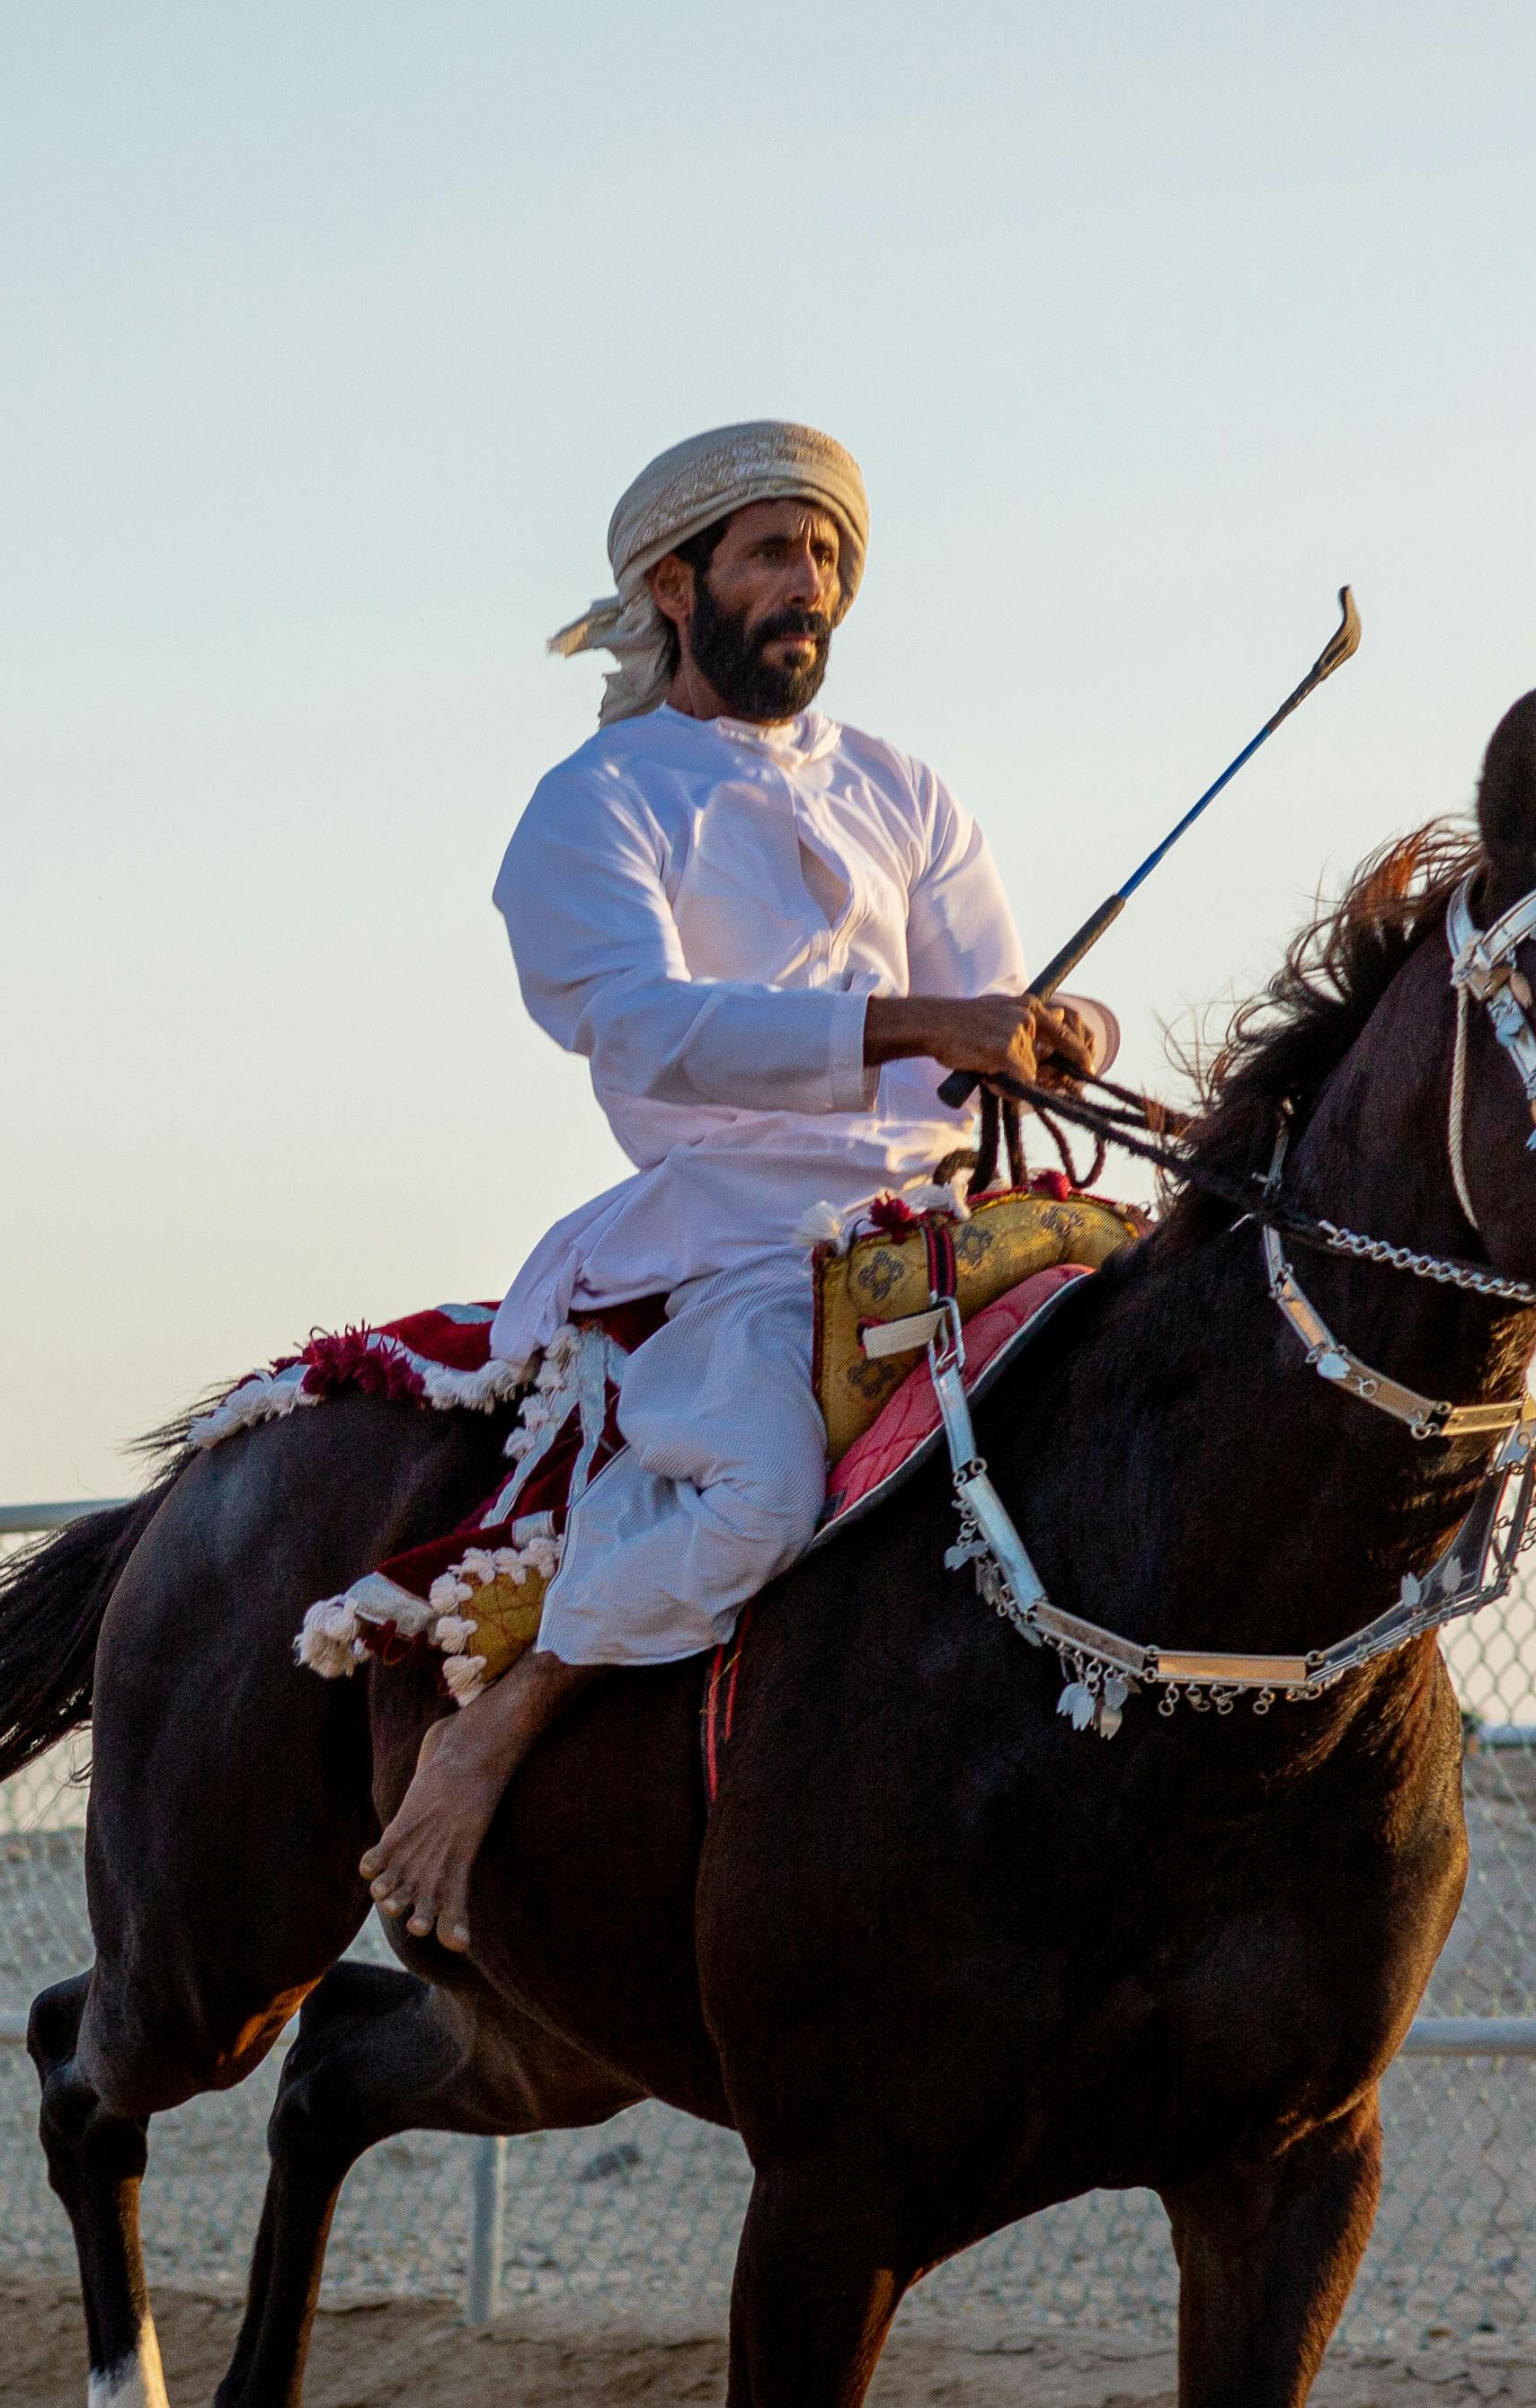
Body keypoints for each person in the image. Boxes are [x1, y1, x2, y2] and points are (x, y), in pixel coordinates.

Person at [359, 421, 1115, 1954]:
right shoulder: (597, 800)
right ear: (675, 583)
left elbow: (990, 1005)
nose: (811, 584)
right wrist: (920, 1024)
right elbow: (638, 1025)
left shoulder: (906, 789)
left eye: (827, 555)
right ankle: (500, 1727)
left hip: (949, 1222)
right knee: (763, 1492)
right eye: (774, 552)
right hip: (736, 1244)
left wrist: (1057, 1033)